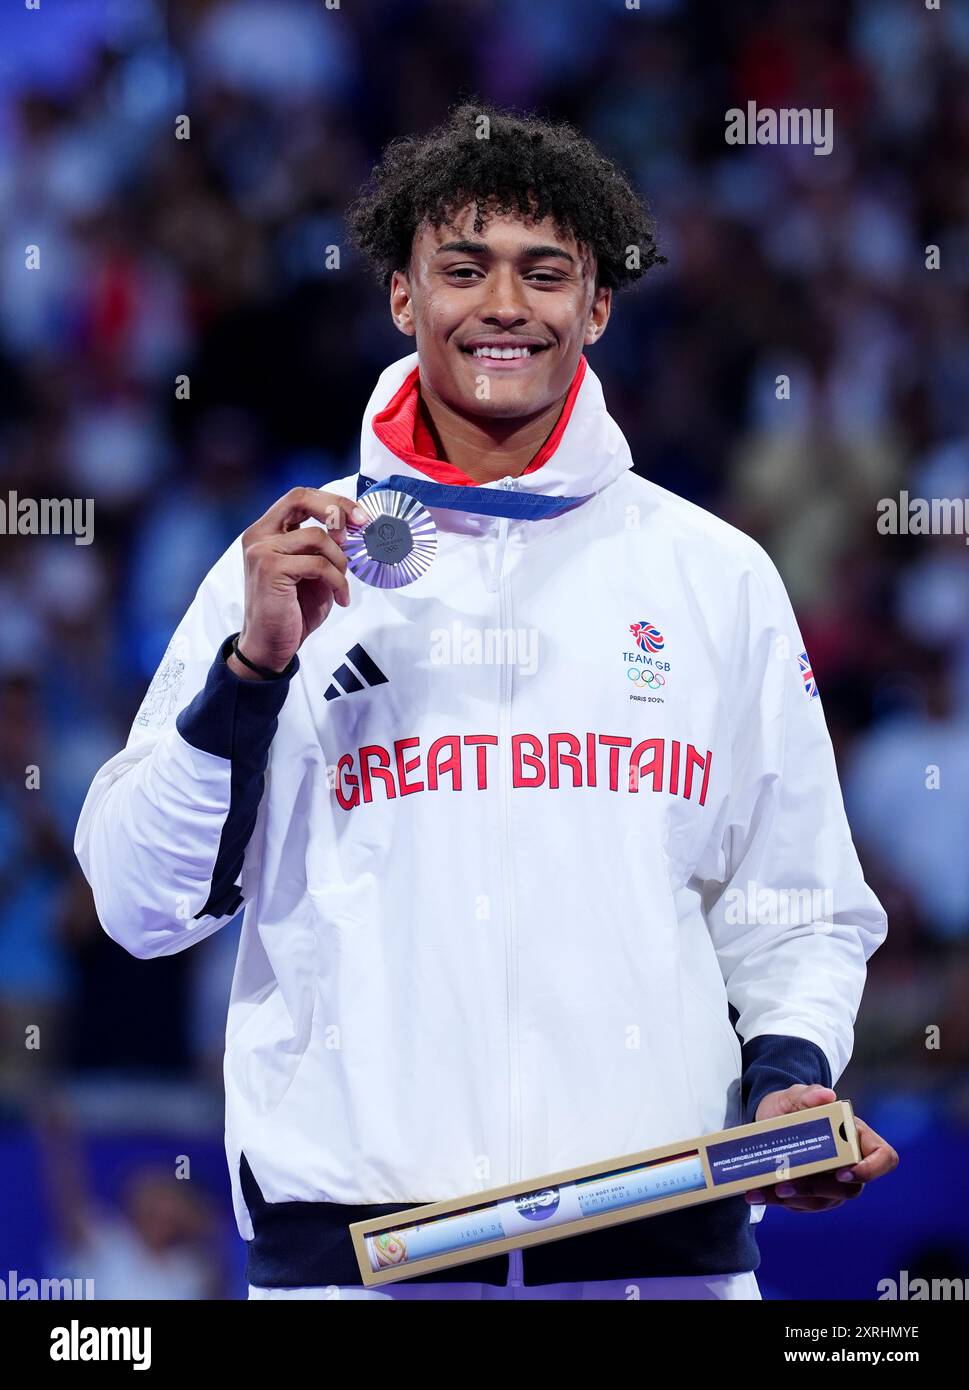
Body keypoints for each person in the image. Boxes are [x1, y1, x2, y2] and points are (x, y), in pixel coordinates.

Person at [74, 103, 897, 1302]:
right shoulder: (288, 569)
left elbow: (802, 905)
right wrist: (247, 681)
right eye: (463, 268)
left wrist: (787, 1078)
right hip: (356, 1264)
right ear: (404, 299)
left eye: (544, 272)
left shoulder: (712, 575)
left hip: (654, 1257)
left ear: (598, 307)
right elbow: (139, 904)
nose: (503, 305)